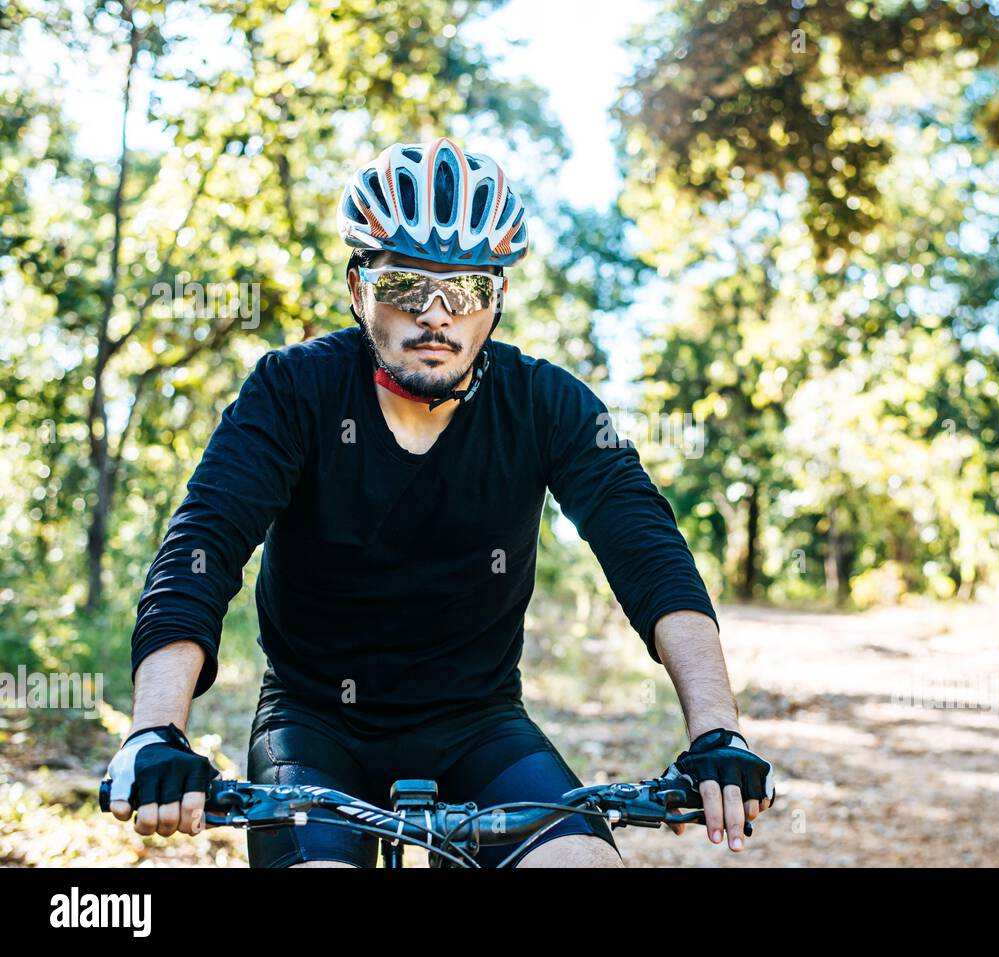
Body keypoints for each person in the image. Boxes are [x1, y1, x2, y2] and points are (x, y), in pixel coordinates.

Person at [105, 137, 775, 867]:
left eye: (466, 290)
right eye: (404, 287)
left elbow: (648, 549)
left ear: (497, 301)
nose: (436, 314)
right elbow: (202, 546)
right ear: (359, 290)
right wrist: (155, 732)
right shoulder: (292, 390)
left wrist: (718, 732)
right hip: (312, 724)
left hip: (480, 727)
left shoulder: (549, 404)